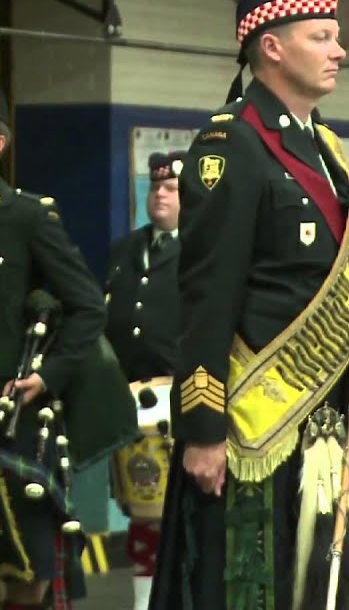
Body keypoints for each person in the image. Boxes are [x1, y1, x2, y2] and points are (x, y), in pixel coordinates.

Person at [147, 0, 349, 610]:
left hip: (327, 420)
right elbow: (206, 295)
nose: (340, 51)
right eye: (321, 36)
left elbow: (332, 267)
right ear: (272, 47)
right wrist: (203, 430)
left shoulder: (323, 145)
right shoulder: (231, 145)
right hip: (255, 427)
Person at [0, 90, 136, 610]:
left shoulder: (26, 217)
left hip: (12, 417)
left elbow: (86, 306)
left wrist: (49, 375)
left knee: (27, 570)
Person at [103, 150, 184, 610]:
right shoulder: (126, 249)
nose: (160, 195)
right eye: (155, 187)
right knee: (144, 510)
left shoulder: (203, 249)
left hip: (183, 397)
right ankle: (144, 602)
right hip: (130, 396)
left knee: (184, 513)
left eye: (171, 188)